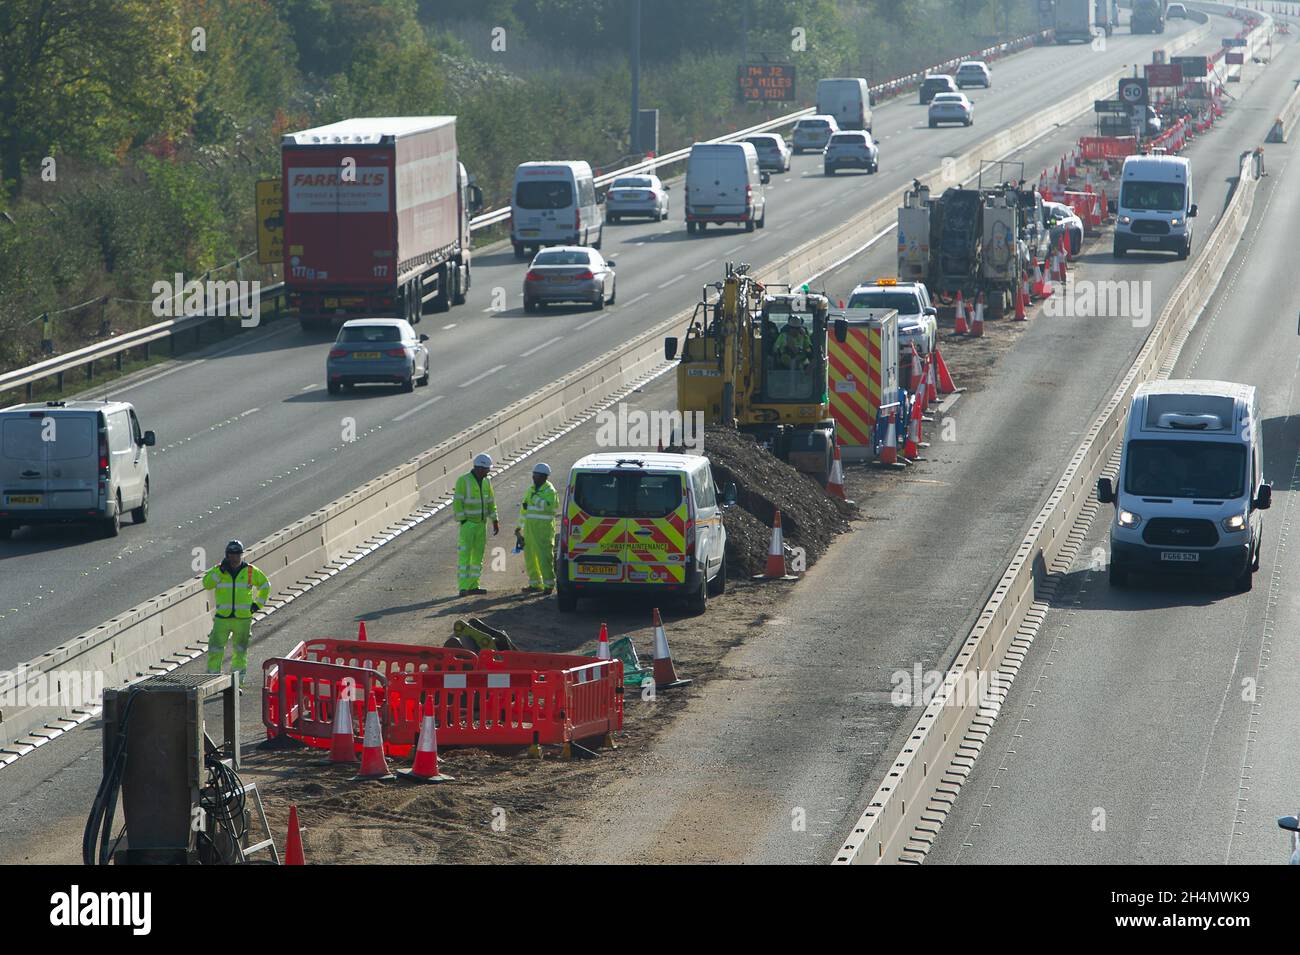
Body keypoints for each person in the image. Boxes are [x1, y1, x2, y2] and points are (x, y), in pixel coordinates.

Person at [202, 540, 270, 683]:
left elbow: (265, 585)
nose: (234, 557)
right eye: (231, 554)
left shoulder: (250, 571)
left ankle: (237, 682)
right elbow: (207, 584)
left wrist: (257, 605)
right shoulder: (219, 571)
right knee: (215, 649)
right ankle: (213, 680)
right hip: (222, 618)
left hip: (243, 619)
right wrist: (220, 571)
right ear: (226, 555)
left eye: (237, 554)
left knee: (240, 651)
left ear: (241, 555)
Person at [454, 452, 499, 595]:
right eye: (487, 469)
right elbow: (457, 502)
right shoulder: (463, 481)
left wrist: (495, 520)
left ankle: (473, 586)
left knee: (478, 556)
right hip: (468, 525)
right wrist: (463, 521)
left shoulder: (487, 482)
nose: (489, 472)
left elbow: (491, 502)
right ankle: (463, 587)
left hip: (481, 524)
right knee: (465, 556)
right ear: (480, 468)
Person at [518, 462, 559, 595]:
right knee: (530, 557)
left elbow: (549, 507)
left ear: (544, 477)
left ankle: (549, 585)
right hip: (530, 530)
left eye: (536, 475)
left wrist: (535, 498)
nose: (534, 478)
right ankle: (535, 583)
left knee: (544, 557)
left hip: (543, 530)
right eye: (533, 475)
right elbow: (524, 510)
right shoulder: (531, 489)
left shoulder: (550, 491)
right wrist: (519, 528)